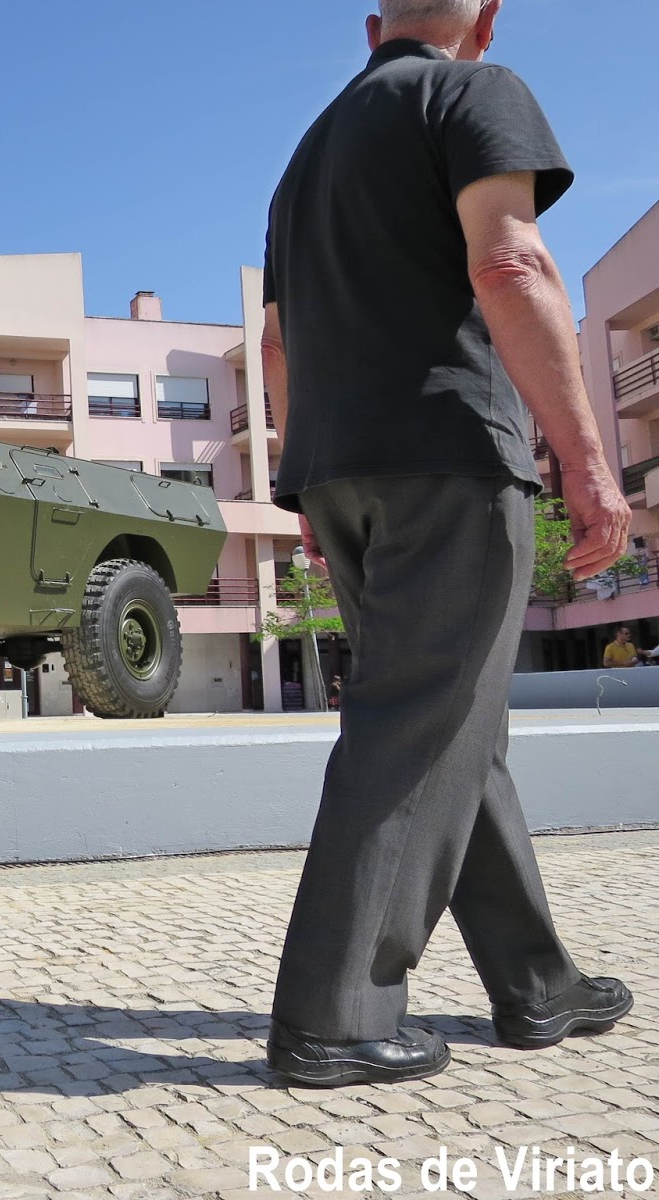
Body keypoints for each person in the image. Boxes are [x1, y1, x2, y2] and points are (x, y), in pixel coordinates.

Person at [260, 0, 633, 1086]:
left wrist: (304, 487)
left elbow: (280, 345)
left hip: (338, 469)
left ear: (373, 24)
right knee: (418, 725)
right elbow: (510, 267)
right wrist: (586, 459)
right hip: (449, 458)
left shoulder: (302, 160)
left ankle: (535, 985)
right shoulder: (475, 90)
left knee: (449, 720)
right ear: (487, 20)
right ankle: (334, 1015)